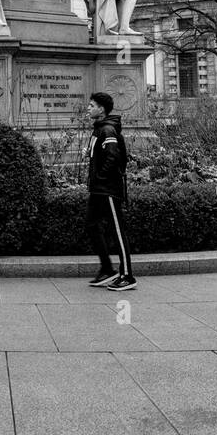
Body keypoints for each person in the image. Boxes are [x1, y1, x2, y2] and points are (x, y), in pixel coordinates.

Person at [85, 92, 136, 291]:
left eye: (91, 105)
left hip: (107, 189)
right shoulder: (99, 129)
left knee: (117, 231)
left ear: (101, 109)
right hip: (98, 189)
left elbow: (113, 157)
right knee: (91, 225)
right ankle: (107, 269)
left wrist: (100, 178)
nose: (88, 108)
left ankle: (127, 275)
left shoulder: (108, 130)